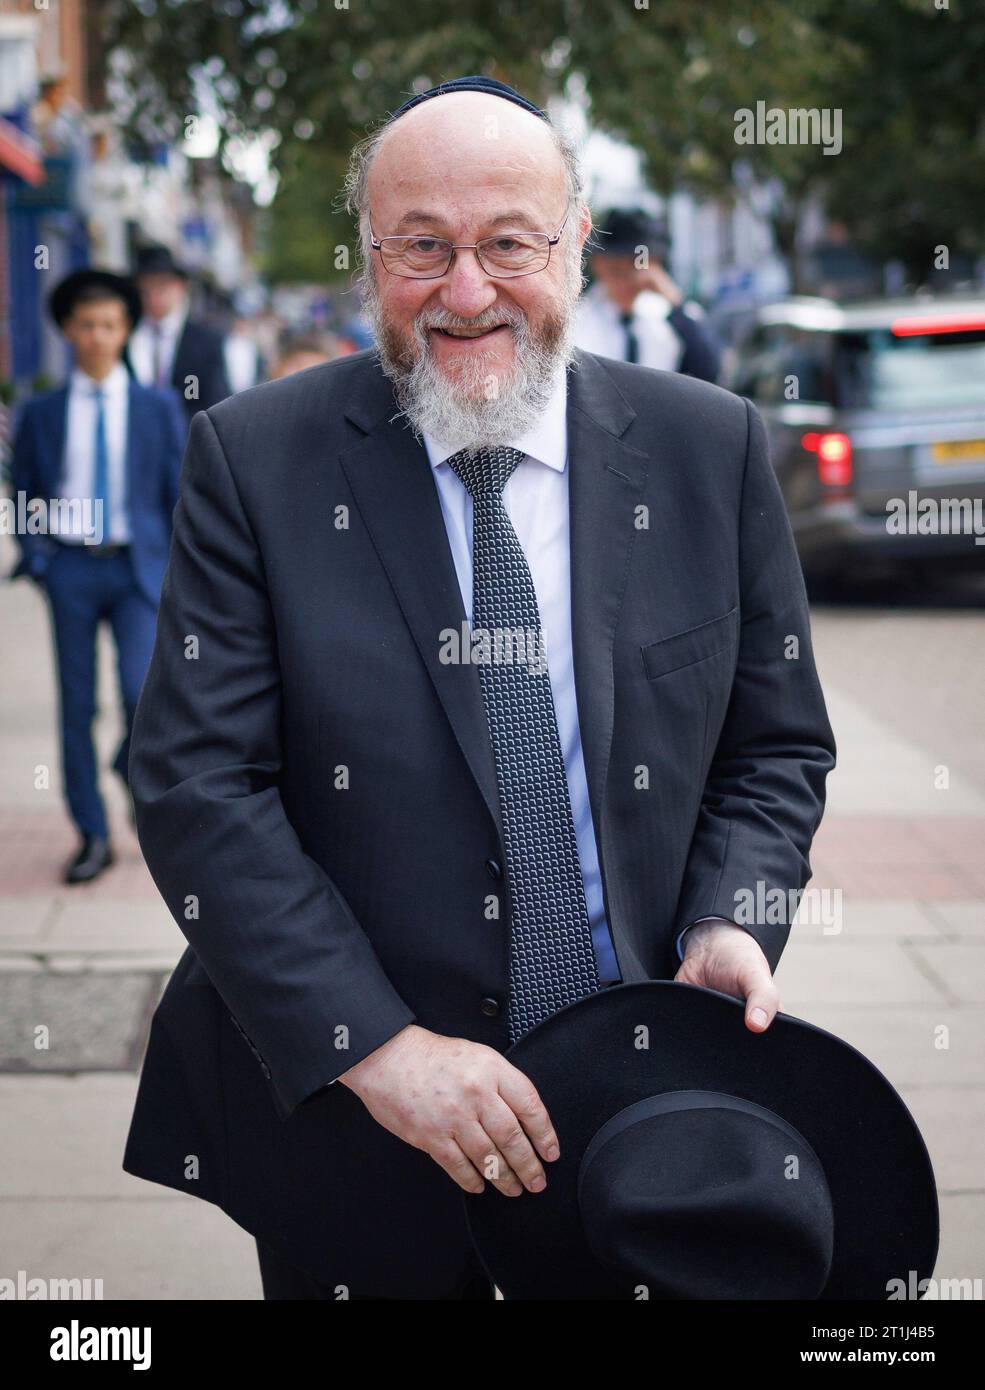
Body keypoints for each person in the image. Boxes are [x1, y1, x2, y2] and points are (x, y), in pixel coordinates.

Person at [120, 76, 836, 1300]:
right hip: (359, 1132)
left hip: (643, 1104)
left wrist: (731, 916)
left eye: (508, 243)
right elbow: (196, 786)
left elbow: (777, 750)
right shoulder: (256, 459)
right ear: (367, 256)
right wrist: (379, 1049)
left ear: (573, 245)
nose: (465, 292)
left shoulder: (706, 449)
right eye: (422, 247)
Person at [8, 270, 185, 883]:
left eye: (109, 325)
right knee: (76, 706)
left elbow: (177, 493)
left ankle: (125, 763)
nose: (97, 337)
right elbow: (26, 488)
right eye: (85, 325)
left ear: (126, 331)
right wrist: (39, 558)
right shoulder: (42, 412)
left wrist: (177, 566)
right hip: (73, 572)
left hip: (139, 570)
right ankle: (90, 833)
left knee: (144, 696)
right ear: (67, 331)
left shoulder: (158, 409)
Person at [575, 206, 722, 381]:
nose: (626, 280)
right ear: (598, 265)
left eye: (634, 265)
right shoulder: (579, 319)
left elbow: (709, 370)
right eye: (616, 269)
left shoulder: (674, 316)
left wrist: (672, 298)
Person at [127, 244, 231, 424]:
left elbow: (215, 401)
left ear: (181, 287)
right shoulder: (125, 337)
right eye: (146, 287)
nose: (154, 295)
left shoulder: (205, 341)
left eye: (162, 285)